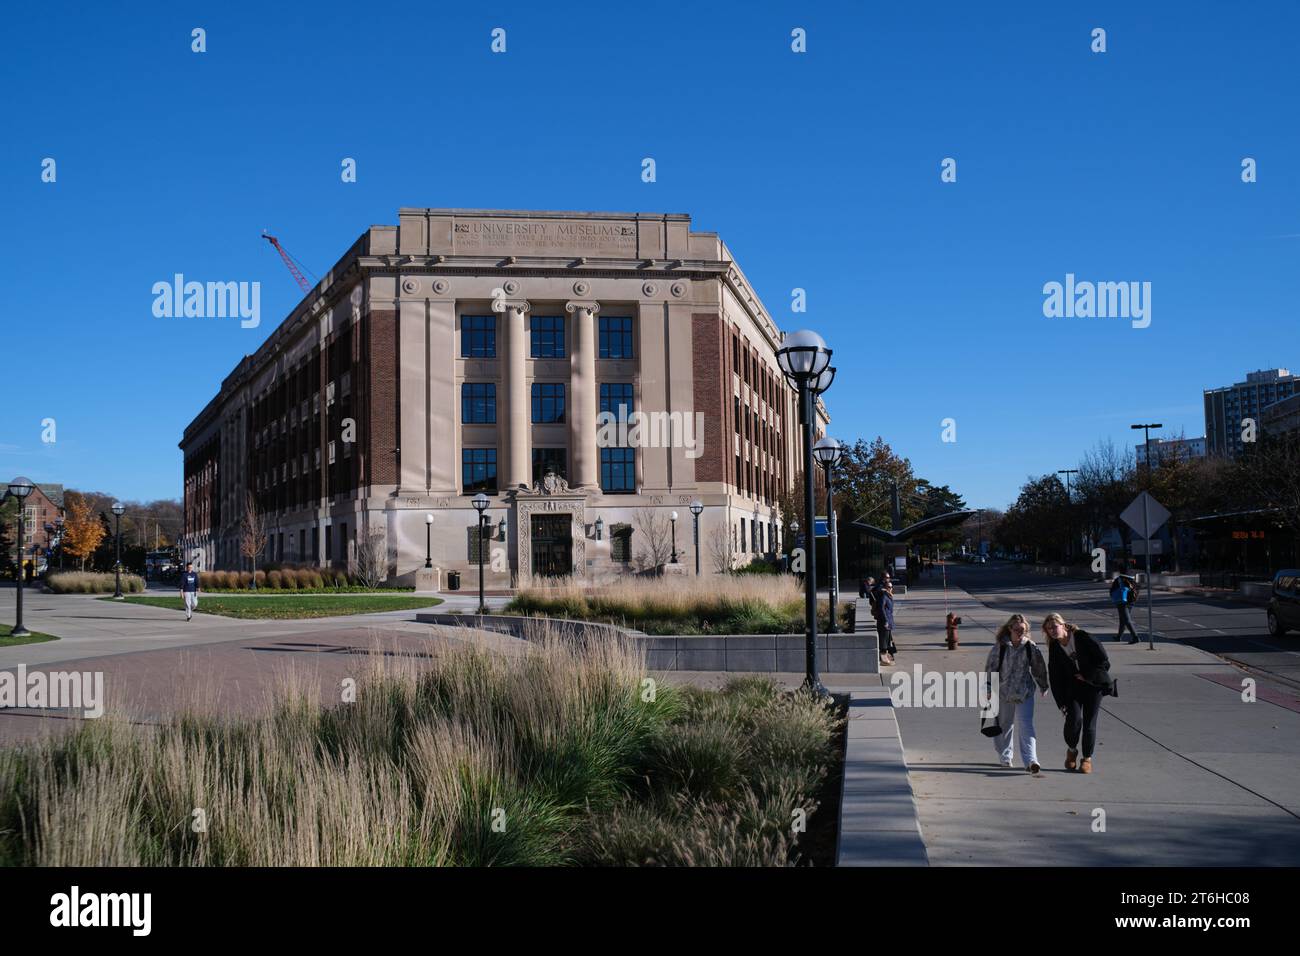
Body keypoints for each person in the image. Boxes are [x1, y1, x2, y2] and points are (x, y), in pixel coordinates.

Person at [1042, 612, 1115, 774]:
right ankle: (1072, 751)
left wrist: (1088, 675)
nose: (1052, 631)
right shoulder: (1055, 647)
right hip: (1073, 688)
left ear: (1063, 625)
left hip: (1093, 686)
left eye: (1054, 626)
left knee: (1089, 724)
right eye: (1049, 629)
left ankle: (1087, 759)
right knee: (1073, 720)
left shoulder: (1082, 637)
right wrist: (1060, 702)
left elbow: (1103, 659)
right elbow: (1055, 676)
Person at [985, 614, 1049, 773]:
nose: (1020, 633)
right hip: (1003, 692)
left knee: (1026, 725)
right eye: (1017, 630)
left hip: (1024, 692)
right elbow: (991, 668)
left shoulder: (1030, 647)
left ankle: (1031, 760)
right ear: (1010, 629)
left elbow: (1038, 667)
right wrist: (988, 688)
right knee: (1004, 725)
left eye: (1023, 630)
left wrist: (1043, 685)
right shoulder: (1000, 647)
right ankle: (1005, 757)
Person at [872, 575, 897, 666]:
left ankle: (886, 656)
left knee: (887, 640)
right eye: (888, 587)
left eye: (891, 587)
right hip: (884, 622)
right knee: (883, 640)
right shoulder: (884, 596)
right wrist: (885, 621)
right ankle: (883, 659)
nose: (890, 588)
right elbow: (881, 609)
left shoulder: (889, 596)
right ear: (885, 588)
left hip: (889, 621)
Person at [1109, 574, 1140, 644]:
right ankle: (1118, 636)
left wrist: (1113, 598)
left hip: (1122, 602)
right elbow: (1137, 589)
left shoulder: (1119, 580)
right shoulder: (1132, 580)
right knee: (1122, 619)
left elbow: (1112, 590)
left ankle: (1135, 637)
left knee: (1126, 620)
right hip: (1131, 602)